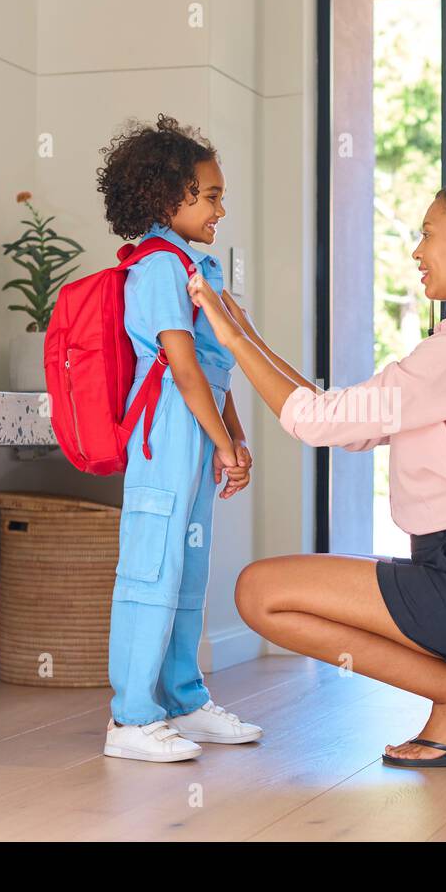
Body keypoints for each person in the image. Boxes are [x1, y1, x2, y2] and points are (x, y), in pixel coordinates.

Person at [185, 176, 446, 768]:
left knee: (259, 592)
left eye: (429, 234)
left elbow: (317, 421)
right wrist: (244, 336)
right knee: (271, 588)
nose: (416, 251)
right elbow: (342, 420)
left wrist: (229, 335)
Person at [96, 115, 262, 762]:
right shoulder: (159, 267)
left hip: (198, 434)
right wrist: (222, 443)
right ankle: (131, 719)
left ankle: (184, 702)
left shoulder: (199, 266)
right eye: (212, 194)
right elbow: (184, 369)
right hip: (165, 438)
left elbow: (218, 373)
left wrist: (235, 439)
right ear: (171, 198)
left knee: (188, 573)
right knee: (150, 573)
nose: (222, 207)